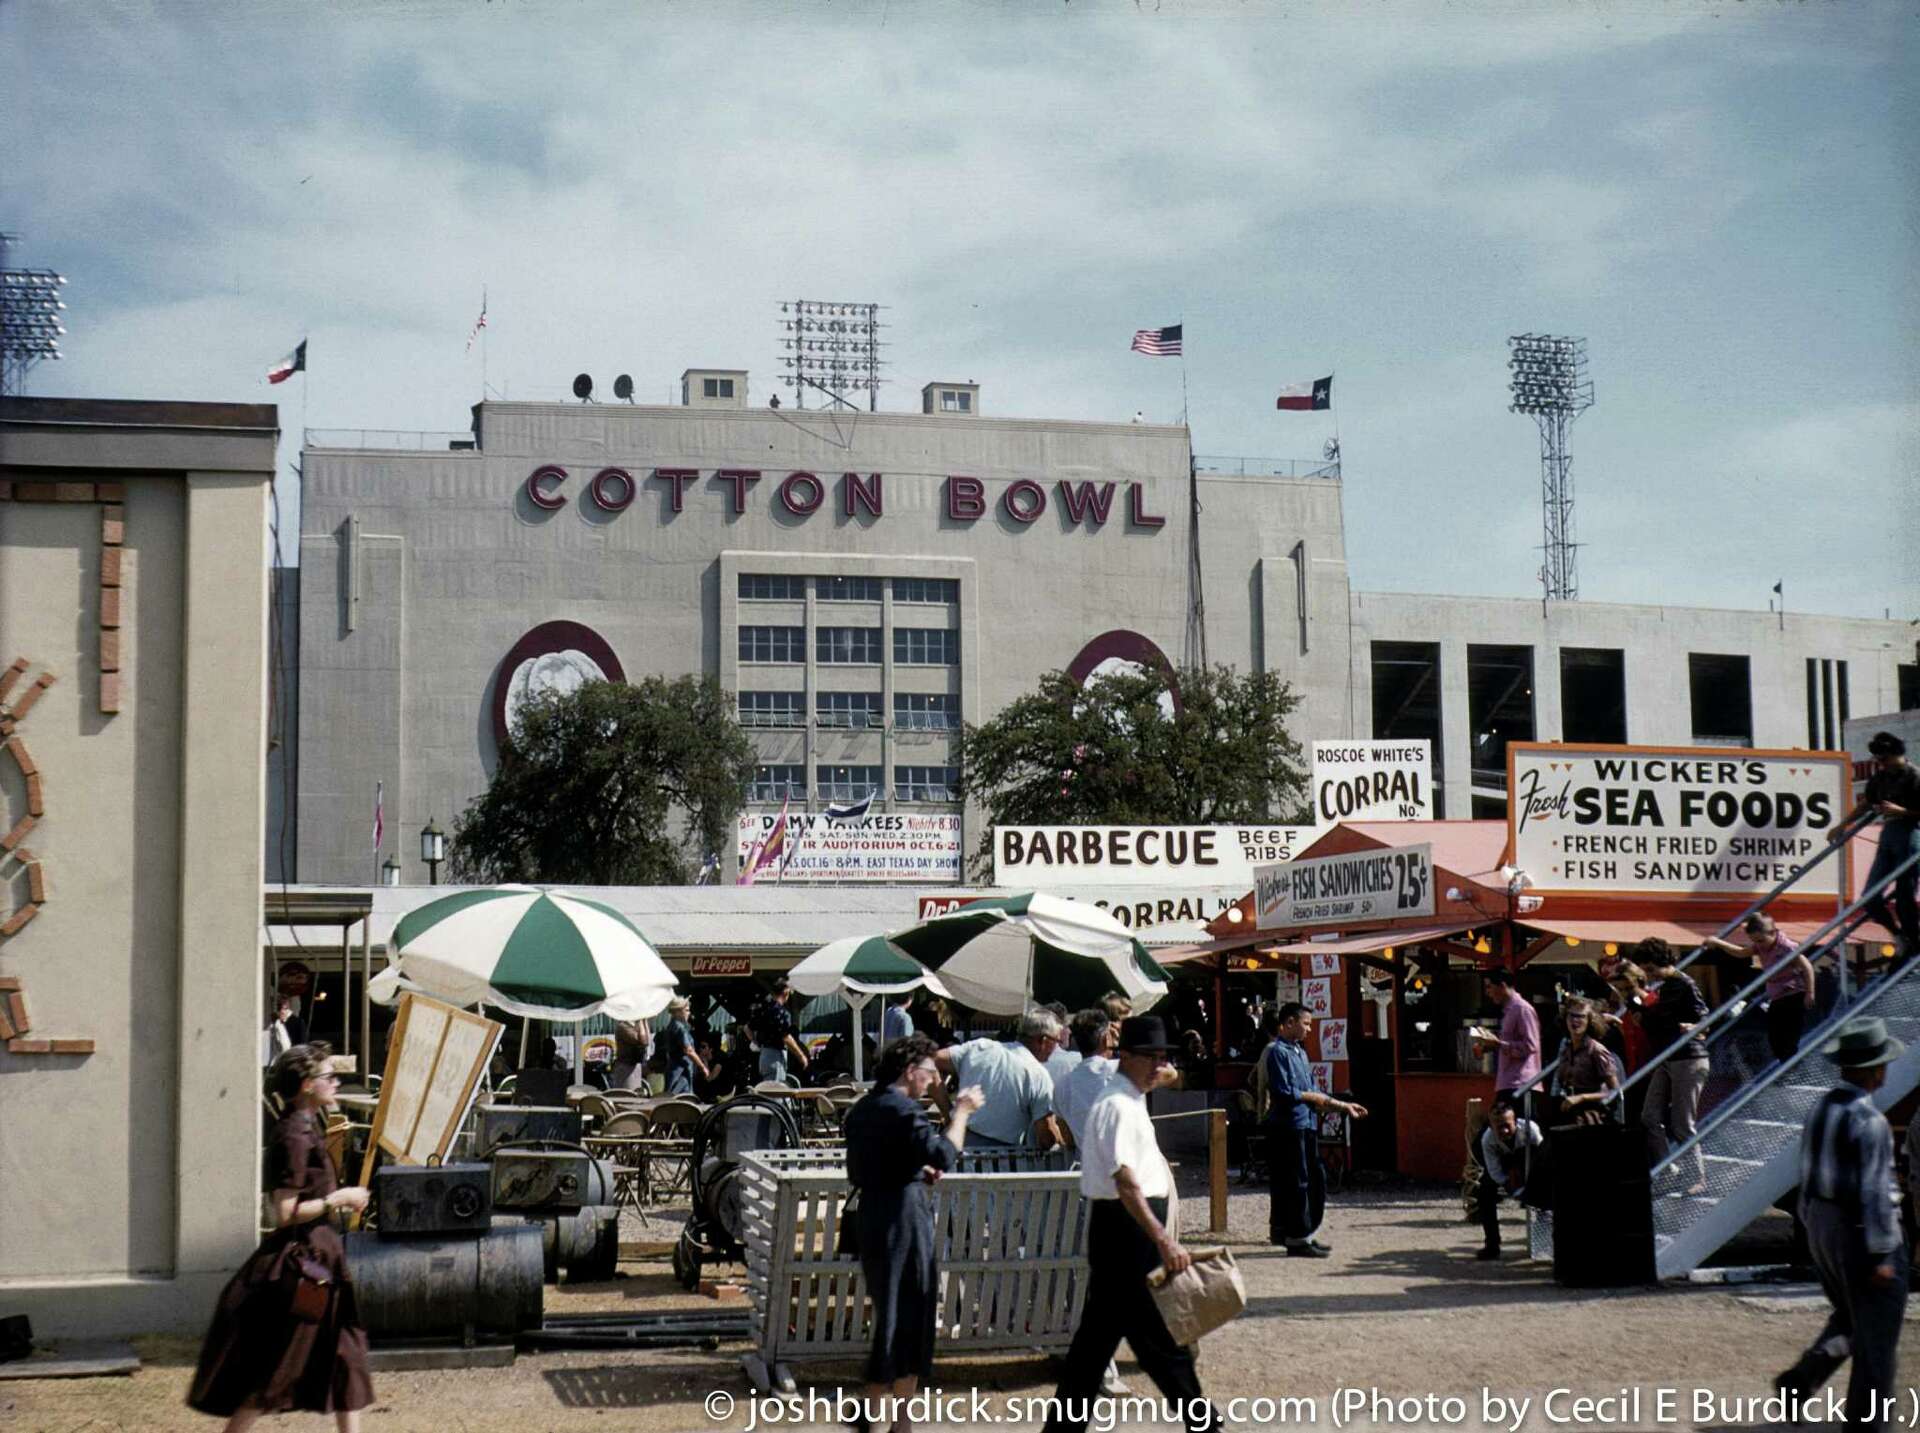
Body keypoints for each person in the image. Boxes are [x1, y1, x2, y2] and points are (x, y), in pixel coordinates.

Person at [1040, 1016, 1221, 1433]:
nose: (1159, 1065)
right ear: (1125, 1056)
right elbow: (1125, 1182)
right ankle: (1206, 1426)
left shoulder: (1133, 1092)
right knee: (1158, 1343)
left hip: (1124, 1230)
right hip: (1127, 1229)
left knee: (1096, 1347)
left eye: (1163, 1057)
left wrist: (1160, 1066)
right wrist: (1163, 1240)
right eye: (1150, 1057)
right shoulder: (1116, 1105)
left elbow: (1165, 1073)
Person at [189, 1043, 373, 1430]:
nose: (336, 1081)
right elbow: (285, 1212)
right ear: (307, 1084)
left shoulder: (307, 1125)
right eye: (328, 1076)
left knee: (345, 1358)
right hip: (305, 1269)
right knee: (277, 1372)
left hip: (324, 1260)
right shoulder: (293, 1135)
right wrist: (339, 1198)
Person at [843, 1034, 985, 1433]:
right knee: (911, 1313)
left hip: (873, 1216)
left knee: (892, 1312)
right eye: (930, 1075)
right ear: (910, 1072)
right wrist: (960, 1113)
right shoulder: (905, 1110)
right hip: (903, 1220)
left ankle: (881, 1417)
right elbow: (944, 1154)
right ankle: (895, 1421)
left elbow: (866, 1166)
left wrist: (912, 1171)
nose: (933, 1082)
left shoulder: (864, 1109)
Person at [1774, 1016, 1910, 1431]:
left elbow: (1806, 1171)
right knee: (1877, 1338)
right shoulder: (1869, 1122)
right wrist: (1884, 1251)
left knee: (1851, 1317)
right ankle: (1866, 1424)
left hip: (1820, 1224)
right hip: (1858, 1231)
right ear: (1874, 1069)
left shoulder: (1820, 1108)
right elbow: (1875, 1191)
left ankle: (1803, 1379)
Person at [1262, 1001, 1367, 1257]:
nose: (1309, 1029)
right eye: (1305, 1024)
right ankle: (1296, 1238)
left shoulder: (1300, 1053)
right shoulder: (1278, 1052)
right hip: (1288, 1126)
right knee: (1296, 1181)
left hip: (1306, 1123)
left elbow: (1313, 1090)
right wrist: (1313, 1098)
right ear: (1289, 1023)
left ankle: (1305, 1231)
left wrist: (1342, 1105)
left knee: (1313, 1178)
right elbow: (1285, 1092)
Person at [1833, 732, 1920, 959]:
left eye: (1884, 759)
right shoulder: (1880, 779)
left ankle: (1913, 942)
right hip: (1888, 835)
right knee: (1870, 896)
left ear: (1896, 754)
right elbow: (1866, 805)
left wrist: (1902, 811)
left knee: (1905, 896)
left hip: (1910, 833)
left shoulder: (1914, 776)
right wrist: (1842, 825)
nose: (1882, 764)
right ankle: (1898, 934)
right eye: (1878, 760)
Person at [1635, 937, 1712, 1193]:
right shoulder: (1666, 986)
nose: (1649, 974)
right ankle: (1670, 1170)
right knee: (1649, 1116)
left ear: (1661, 963)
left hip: (1689, 1057)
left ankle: (1697, 1176)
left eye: (1650, 968)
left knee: (1682, 1123)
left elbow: (1704, 1017)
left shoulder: (1681, 984)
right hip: (1669, 1057)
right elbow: (1653, 1020)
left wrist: (1694, 1027)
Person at [934, 1010, 1064, 1150]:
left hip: (951, 1142)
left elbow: (929, 1060)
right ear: (1043, 1041)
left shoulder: (980, 1047)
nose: (1057, 1047)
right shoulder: (1038, 1075)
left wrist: (948, 1113)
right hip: (996, 1157)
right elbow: (1046, 1139)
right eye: (1056, 1041)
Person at [1706, 913, 1818, 1063]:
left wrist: (1810, 992)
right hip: (1777, 994)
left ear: (1773, 933)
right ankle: (1784, 1061)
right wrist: (1718, 943)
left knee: (1790, 1030)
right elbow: (1741, 953)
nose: (1759, 944)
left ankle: (1791, 1061)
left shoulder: (1786, 946)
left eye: (1761, 940)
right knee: (1774, 1032)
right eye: (1755, 941)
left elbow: (1807, 967)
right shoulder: (1761, 945)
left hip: (1793, 992)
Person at [1474, 1095, 1546, 1261]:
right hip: (1504, 1167)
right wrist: (1510, 1186)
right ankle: (1492, 1245)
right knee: (1484, 1193)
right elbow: (1494, 1170)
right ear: (1491, 1127)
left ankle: (1543, 1238)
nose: (1504, 1131)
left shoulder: (1530, 1129)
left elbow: (1543, 1156)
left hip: (1530, 1164)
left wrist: (1531, 1183)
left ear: (1515, 1121)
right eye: (1499, 1127)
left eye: (1507, 1125)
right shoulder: (1487, 1139)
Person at [1549, 997, 1622, 1126]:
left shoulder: (1596, 1050)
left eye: (1581, 1016)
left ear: (1590, 1021)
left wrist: (1582, 1098)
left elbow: (1615, 1092)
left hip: (1591, 1117)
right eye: (1571, 1015)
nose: (1575, 1020)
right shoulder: (1566, 1049)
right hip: (1568, 1113)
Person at [1054, 1008, 1119, 1147]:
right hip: (1125, 1162)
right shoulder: (1121, 1070)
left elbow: (1068, 1139)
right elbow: (1170, 1073)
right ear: (1106, 1038)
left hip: (1086, 1165)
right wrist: (1120, 1042)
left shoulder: (1063, 1084)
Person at [1476, 968, 1541, 1101]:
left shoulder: (1522, 1009)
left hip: (1521, 1083)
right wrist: (1489, 1046)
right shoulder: (1509, 1011)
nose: (1487, 993)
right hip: (1509, 1082)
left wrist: (1499, 1044)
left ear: (1502, 985)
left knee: (1518, 1122)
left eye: (1489, 987)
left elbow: (1531, 1046)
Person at [751, 977, 810, 1084]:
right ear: (786, 991)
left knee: (767, 1091)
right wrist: (801, 1056)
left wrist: (756, 1043)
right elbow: (786, 1037)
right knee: (776, 1093)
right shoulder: (778, 1011)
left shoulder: (763, 1008)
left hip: (764, 1055)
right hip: (775, 1056)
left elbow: (747, 1028)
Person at [654, 997, 708, 1096]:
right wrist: (702, 1067)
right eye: (686, 1010)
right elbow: (689, 1050)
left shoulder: (673, 1025)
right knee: (679, 1097)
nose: (689, 1013)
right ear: (678, 1011)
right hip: (681, 1071)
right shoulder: (680, 1028)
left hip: (675, 1068)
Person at [1041, 1001, 1081, 1084]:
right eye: (1066, 1026)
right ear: (1057, 1029)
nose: (1069, 1031)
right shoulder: (1076, 1060)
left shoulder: (1029, 1060)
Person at [609, 1018, 651, 1091]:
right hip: (626, 1066)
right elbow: (643, 1040)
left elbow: (647, 1040)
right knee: (628, 1094)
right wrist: (640, 1020)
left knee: (636, 1092)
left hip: (634, 1064)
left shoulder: (633, 1025)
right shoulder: (623, 1027)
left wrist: (644, 1021)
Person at [262, 998, 295, 1068]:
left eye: (286, 1009)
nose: (283, 1011)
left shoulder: (294, 1022)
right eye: (280, 1009)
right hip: (272, 1063)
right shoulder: (274, 1024)